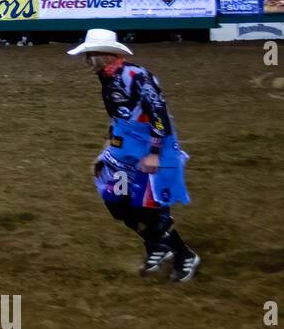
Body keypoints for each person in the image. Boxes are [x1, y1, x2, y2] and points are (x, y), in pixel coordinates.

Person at [67, 30, 199, 282]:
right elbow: (119, 118)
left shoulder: (136, 76)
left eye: (90, 55)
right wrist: (105, 150)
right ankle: (158, 246)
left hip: (149, 150)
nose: (87, 60)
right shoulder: (107, 78)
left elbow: (158, 113)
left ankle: (182, 255)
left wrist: (154, 153)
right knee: (117, 203)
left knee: (149, 208)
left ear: (106, 55)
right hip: (124, 150)